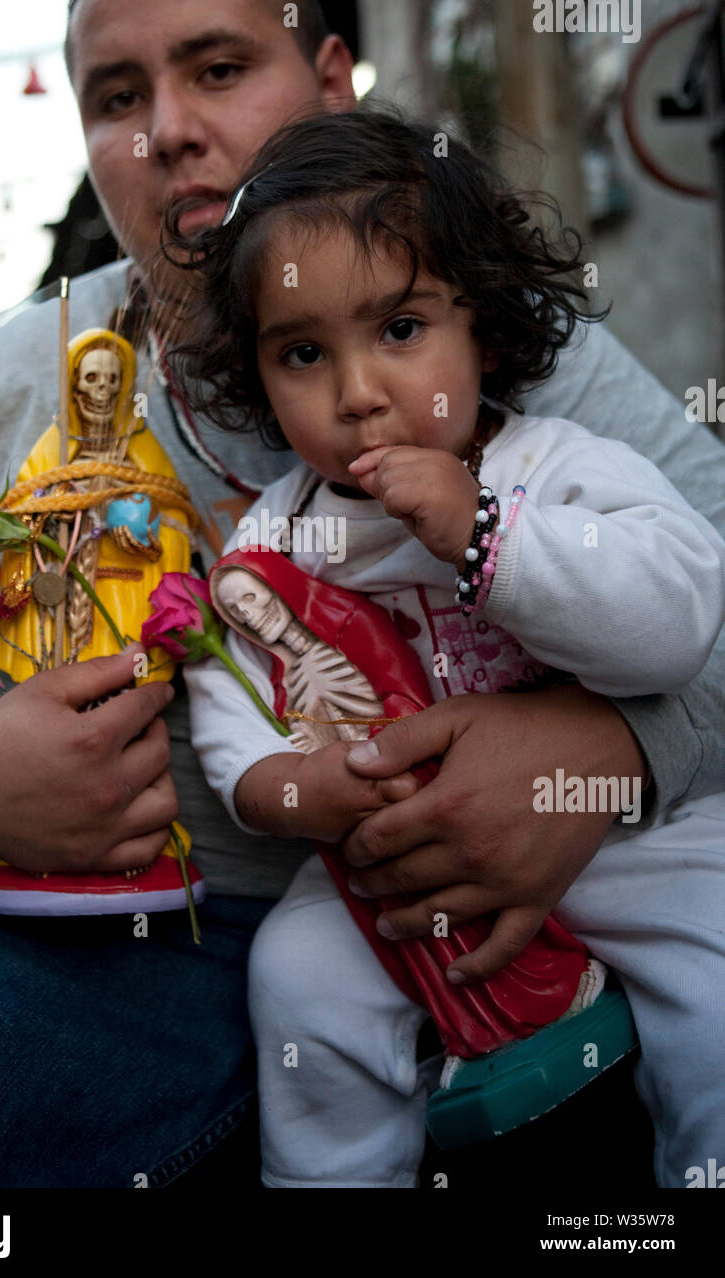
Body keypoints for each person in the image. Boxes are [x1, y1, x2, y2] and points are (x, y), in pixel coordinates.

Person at [0, 0, 723, 1188]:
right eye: (115, 96)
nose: (167, 131)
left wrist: (613, 754)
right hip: (115, 967)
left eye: (217, 69)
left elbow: (696, 576)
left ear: (327, 87)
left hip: (557, 914)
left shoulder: (505, 353)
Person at [170, 106, 725, 1187]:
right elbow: (229, 687)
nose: (358, 392)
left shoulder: (557, 468)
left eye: (398, 329)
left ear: (482, 324)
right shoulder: (273, 542)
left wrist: (485, 532)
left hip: (624, 832)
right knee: (297, 976)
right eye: (300, 353)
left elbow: (677, 622)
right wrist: (293, 786)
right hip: (406, 863)